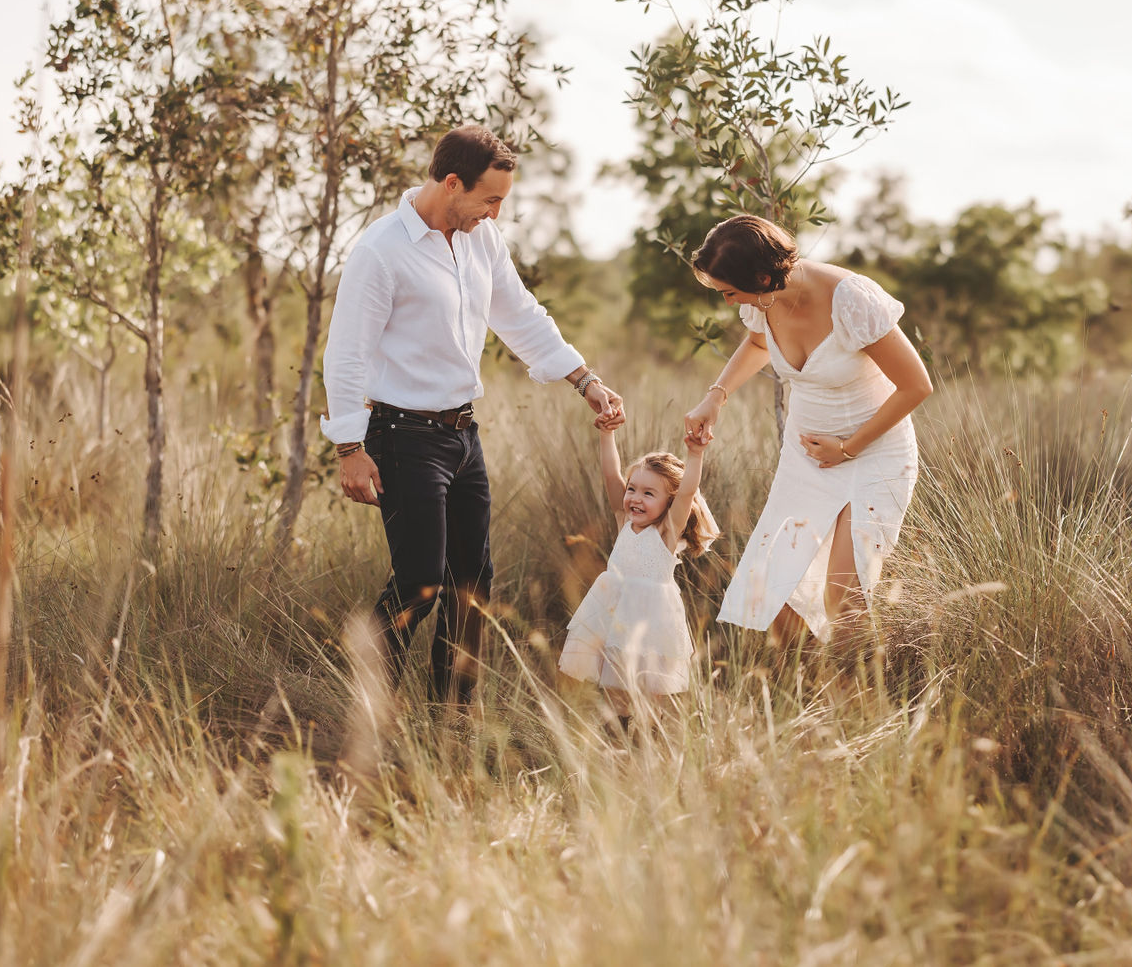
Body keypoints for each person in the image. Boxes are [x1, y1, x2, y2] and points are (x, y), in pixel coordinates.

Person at [321, 124, 622, 703]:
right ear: (452, 183)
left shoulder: (480, 239)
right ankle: (367, 708)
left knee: (472, 586)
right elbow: (348, 353)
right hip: (400, 434)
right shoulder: (380, 252)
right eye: (491, 199)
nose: (497, 213)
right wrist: (349, 448)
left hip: (463, 435)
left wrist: (583, 378)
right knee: (420, 585)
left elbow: (519, 313)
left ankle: (453, 717)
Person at [683, 214, 932, 647]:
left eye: (729, 292)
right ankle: (817, 690)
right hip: (806, 460)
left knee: (844, 598)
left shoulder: (851, 300)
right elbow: (760, 342)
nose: (727, 303)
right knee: (771, 591)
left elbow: (916, 385)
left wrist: (848, 449)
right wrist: (715, 397)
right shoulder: (763, 300)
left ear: (762, 277)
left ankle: (862, 702)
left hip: (872, 454)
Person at [559, 413, 718, 728]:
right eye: (633, 489)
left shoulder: (666, 532)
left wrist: (695, 454)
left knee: (646, 689)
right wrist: (607, 435)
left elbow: (686, 492)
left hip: (651, 620)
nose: (635, 498)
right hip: (615, 613)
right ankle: (620, 740)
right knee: (616, 687)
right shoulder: (624, 522)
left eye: (649, 494)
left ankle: (648, 740)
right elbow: (610, 475)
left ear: (668, 503)